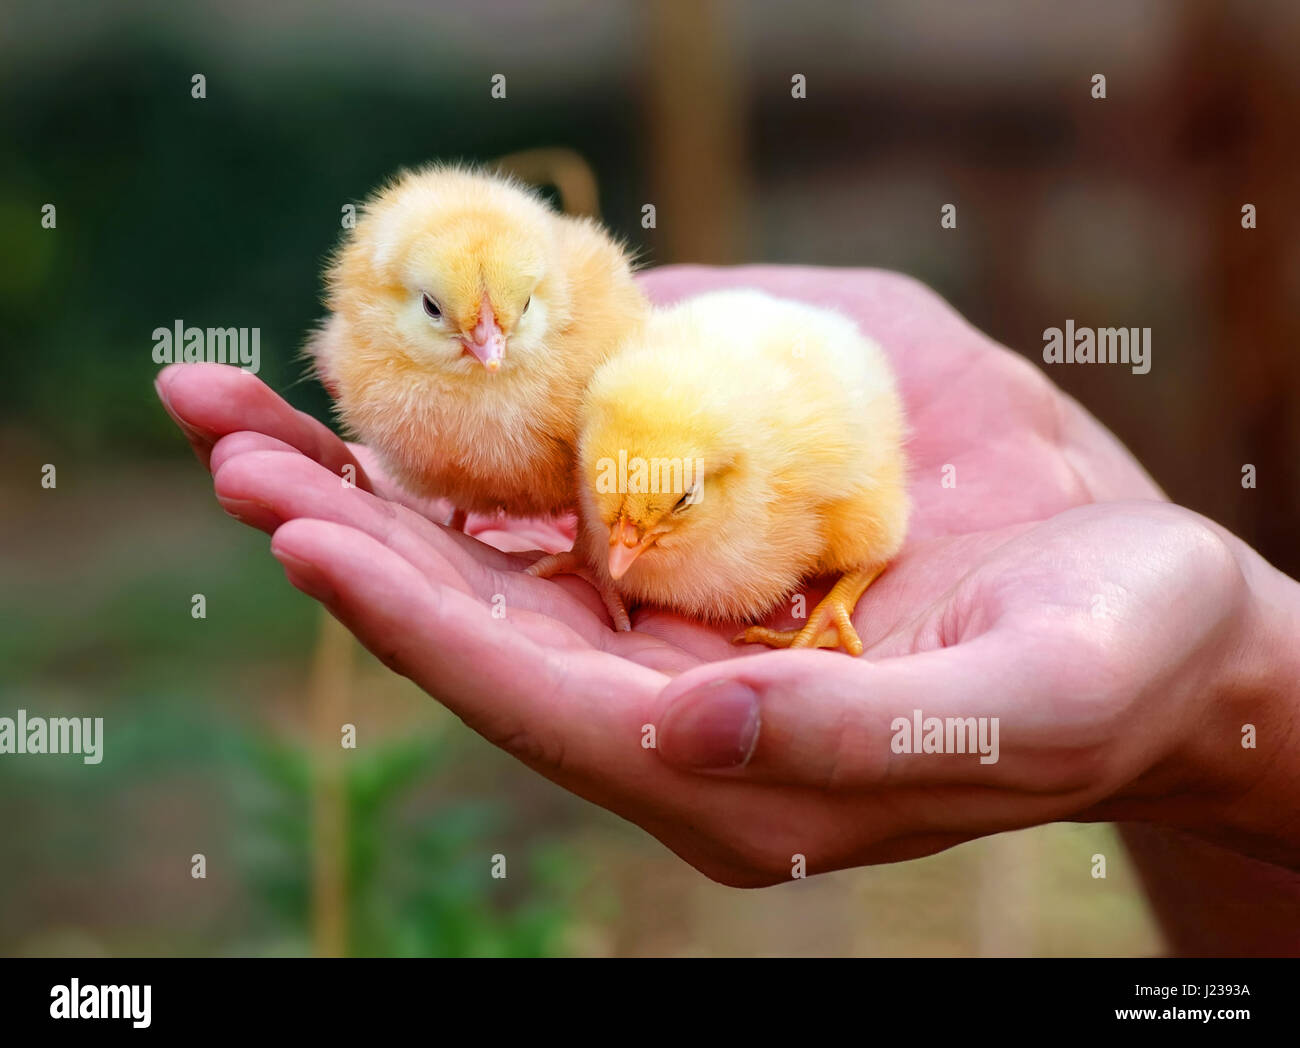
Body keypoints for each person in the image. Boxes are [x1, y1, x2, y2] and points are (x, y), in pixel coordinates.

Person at [155, 266, 1300, 954]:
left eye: (653, 517)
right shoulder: (633, 455)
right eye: (615, 512)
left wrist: (1232, 702)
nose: (630, 541)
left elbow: (859, 499)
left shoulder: (783, 462)